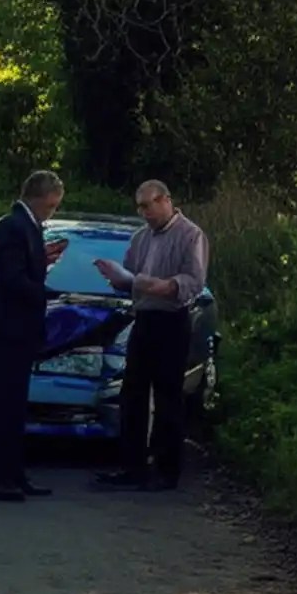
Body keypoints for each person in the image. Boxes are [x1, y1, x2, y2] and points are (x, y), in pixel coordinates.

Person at [92, 179, 209, 491]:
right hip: (143, 318)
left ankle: (166, 469)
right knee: (133, 393)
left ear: (166, 200)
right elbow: (130, 280)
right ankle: (131, 466)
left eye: (148, 205)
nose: (144, 213)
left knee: (169, 394)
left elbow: (189, 283)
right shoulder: (141, 237)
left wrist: (139, 281)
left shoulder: (191, 235)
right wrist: (114, 277)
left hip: (172, 320)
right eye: (139, 207)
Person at [0, 170, 67, 502]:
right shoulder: (14, 226)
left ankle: (15, 473)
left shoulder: (27, 226)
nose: (52, 211)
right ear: (39, 197)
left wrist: (41, 261)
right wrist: (47, 294)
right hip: (8, 330)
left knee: (15, 408)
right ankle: (0, 478)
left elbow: (19, 268)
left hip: (19, 330)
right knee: (3, 407)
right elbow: (12, 279)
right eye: (52, 205)